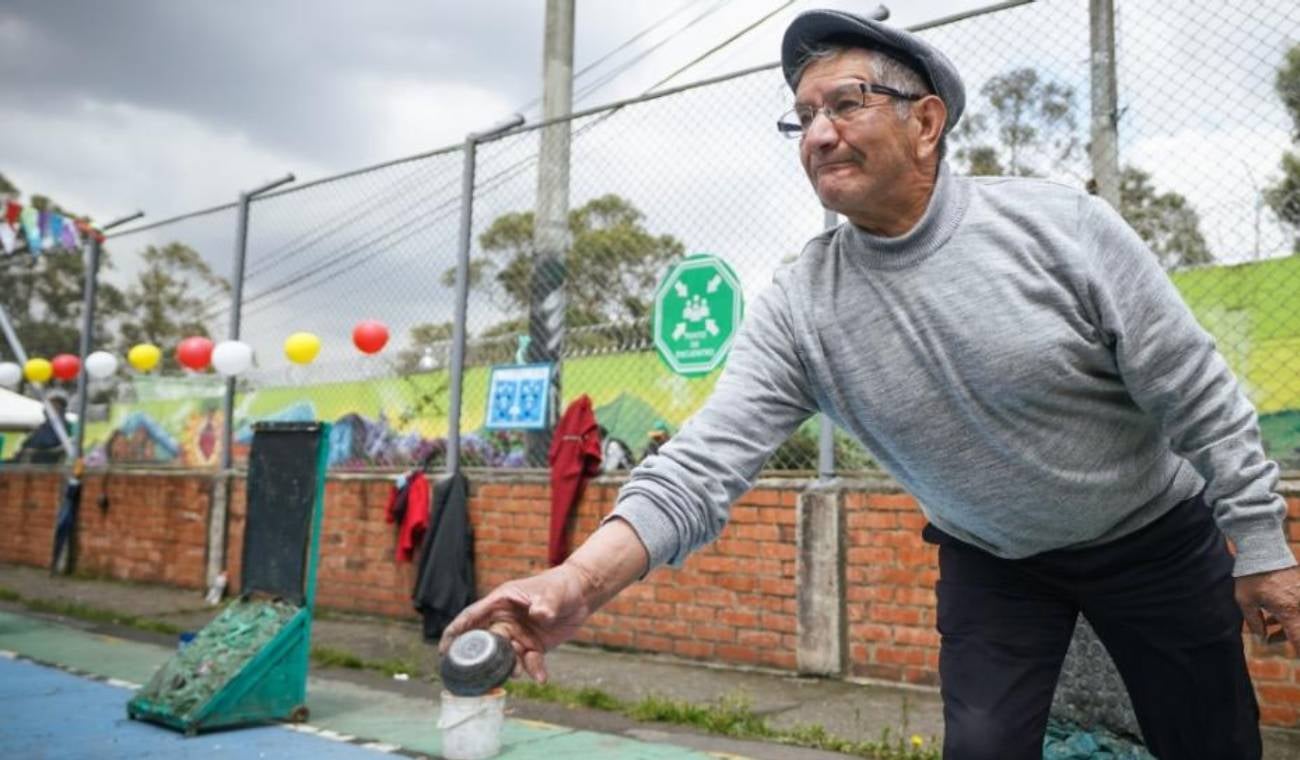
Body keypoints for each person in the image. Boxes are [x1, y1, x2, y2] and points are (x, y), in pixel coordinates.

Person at [442, 10, 1300, 759]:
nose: (817, 134)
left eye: (845, 104)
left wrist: (1261, 544)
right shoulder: (802, 307)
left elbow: (1196, 394)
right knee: (984, 747)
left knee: (1210, 739)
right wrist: (576, 581)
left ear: (926, 122)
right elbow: (698, 468)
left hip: (1152, 534)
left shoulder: (1061, 229)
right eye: (803, 116)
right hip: (996, 562)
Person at [13, 394, 68, 464]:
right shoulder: (44, 425)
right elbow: (28, 442)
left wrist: (34, 450)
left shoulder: (61, 426)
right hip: (27, 459)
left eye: (52, 406)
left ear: (59, 407)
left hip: (43, 460)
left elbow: (50, 443)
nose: (47, 408)